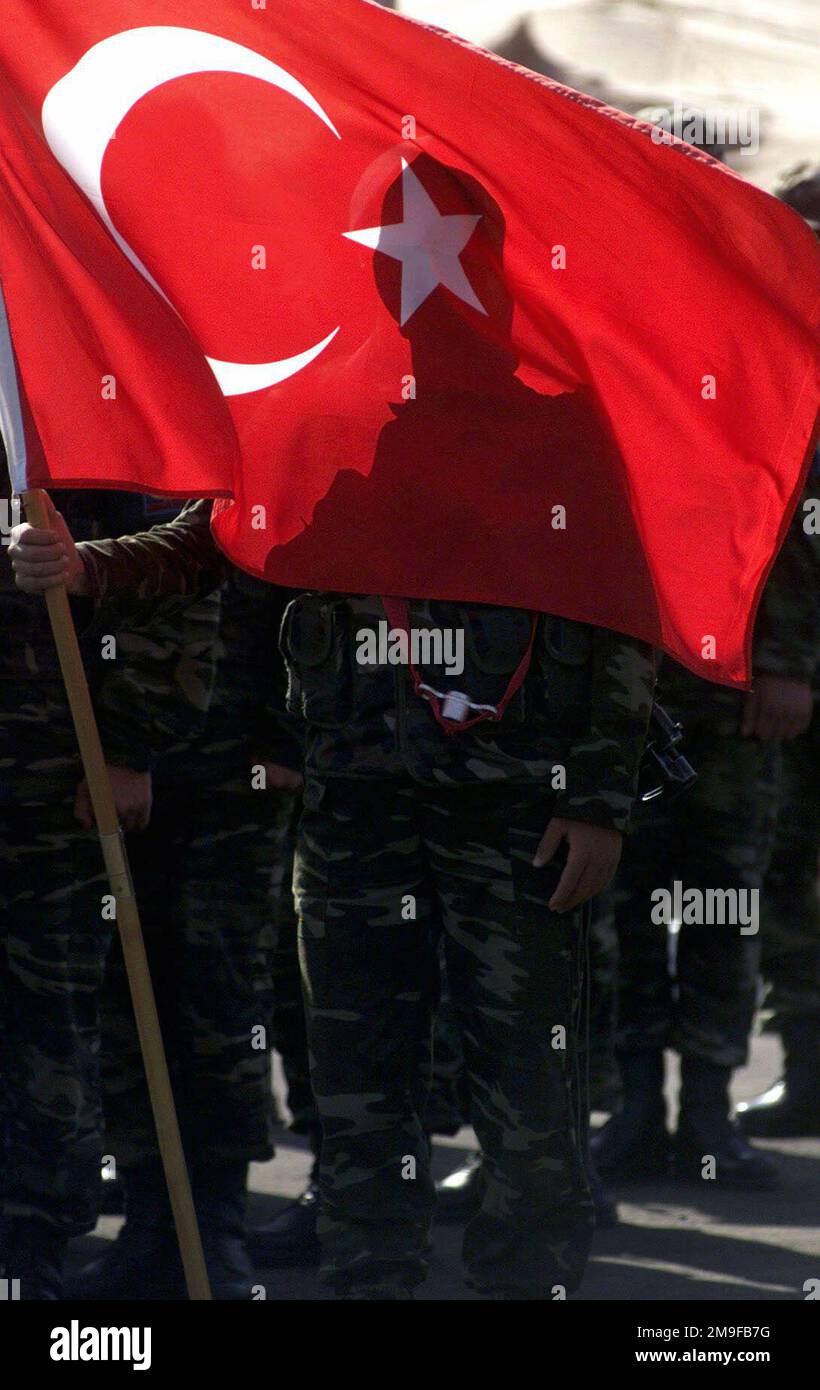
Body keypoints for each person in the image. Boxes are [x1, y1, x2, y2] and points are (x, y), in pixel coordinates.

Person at [10, 498, 656, 1298]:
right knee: (359, 1089)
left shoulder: (545, 420)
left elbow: (621, 593)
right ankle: (370, 1284)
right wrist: (89, 565)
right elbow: (223, 531)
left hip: (513, 809)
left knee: (526, 1090)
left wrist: (599, 796)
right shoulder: (330, 400)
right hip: (354, 806)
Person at [0, 481, 216, 1299]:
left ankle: (33, 1247)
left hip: (53, 776)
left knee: (47, 1019)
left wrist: (128, 742)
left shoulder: (70, 411)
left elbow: (184, 577)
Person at [72, 565, 302, 1300]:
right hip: (106, 755)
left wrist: (286, 735)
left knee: (220, 1003)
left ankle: (214, 1229)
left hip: (233, 768)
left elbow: (307, 587)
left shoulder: (250, 457)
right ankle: (150, 1221)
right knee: (124, 1002)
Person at [592, 477, 818, 1190]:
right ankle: (635, 1105)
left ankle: (706, 1110)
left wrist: (785, 662)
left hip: (734, 692)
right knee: (622, 904)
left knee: (723, 903)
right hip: (620, 685)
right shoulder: (616, 371)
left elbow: (784, 510)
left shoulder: (743, 377)